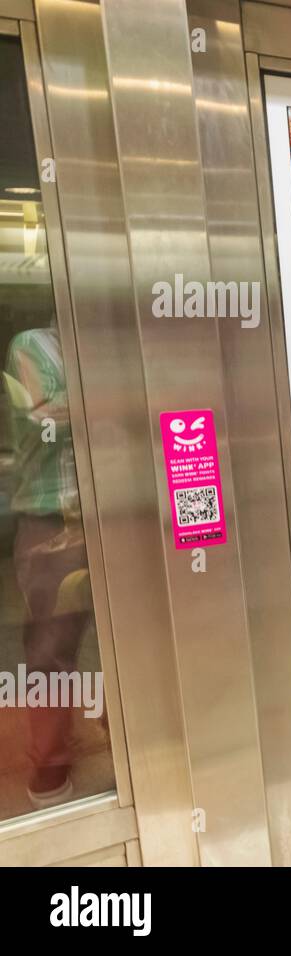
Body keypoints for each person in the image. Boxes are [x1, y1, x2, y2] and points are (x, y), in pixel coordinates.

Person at [5, 323, 93, 809]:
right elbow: (43, 416)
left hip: (122, 516)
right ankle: (50, 768)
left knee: (144, 640)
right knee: (50, 649)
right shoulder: (32, 345)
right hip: (52, 518)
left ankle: (141, 743)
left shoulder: (119, 342)